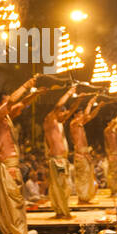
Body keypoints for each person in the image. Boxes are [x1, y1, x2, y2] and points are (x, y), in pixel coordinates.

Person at [0, 75, 40, 234]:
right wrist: (26, 84)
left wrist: (35, 93)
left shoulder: (6, 118)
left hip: (12, 165)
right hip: (7, 165)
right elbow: (13, 102)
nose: (9, 103)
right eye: (6, 101)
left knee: (16, 205)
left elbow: (22, 104)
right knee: (10, 206)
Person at [41, 85, 79, 220]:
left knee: (65, 187)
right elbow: (59, 105)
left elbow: (69, 111)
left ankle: (62, 210)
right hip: (56, 159)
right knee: (59, 187)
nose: (65, 115)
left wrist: (79, 100)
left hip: (63, 159)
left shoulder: (59, 123)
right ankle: (61, 211)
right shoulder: (50, 120)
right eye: (63, 112)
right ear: (57, 112)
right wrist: (69, 92)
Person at [69, 95, 102, 205]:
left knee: (87, 177)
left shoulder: (80, 124)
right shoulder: (73, 123)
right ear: (76, 115)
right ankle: (82, 199)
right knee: (82, 177)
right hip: (80, 155)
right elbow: (88, 115)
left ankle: (85, 198)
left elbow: (90, 116)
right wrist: (90, 103)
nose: (83, 115)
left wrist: (98, 107)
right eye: (81, 113)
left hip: (85, 154)